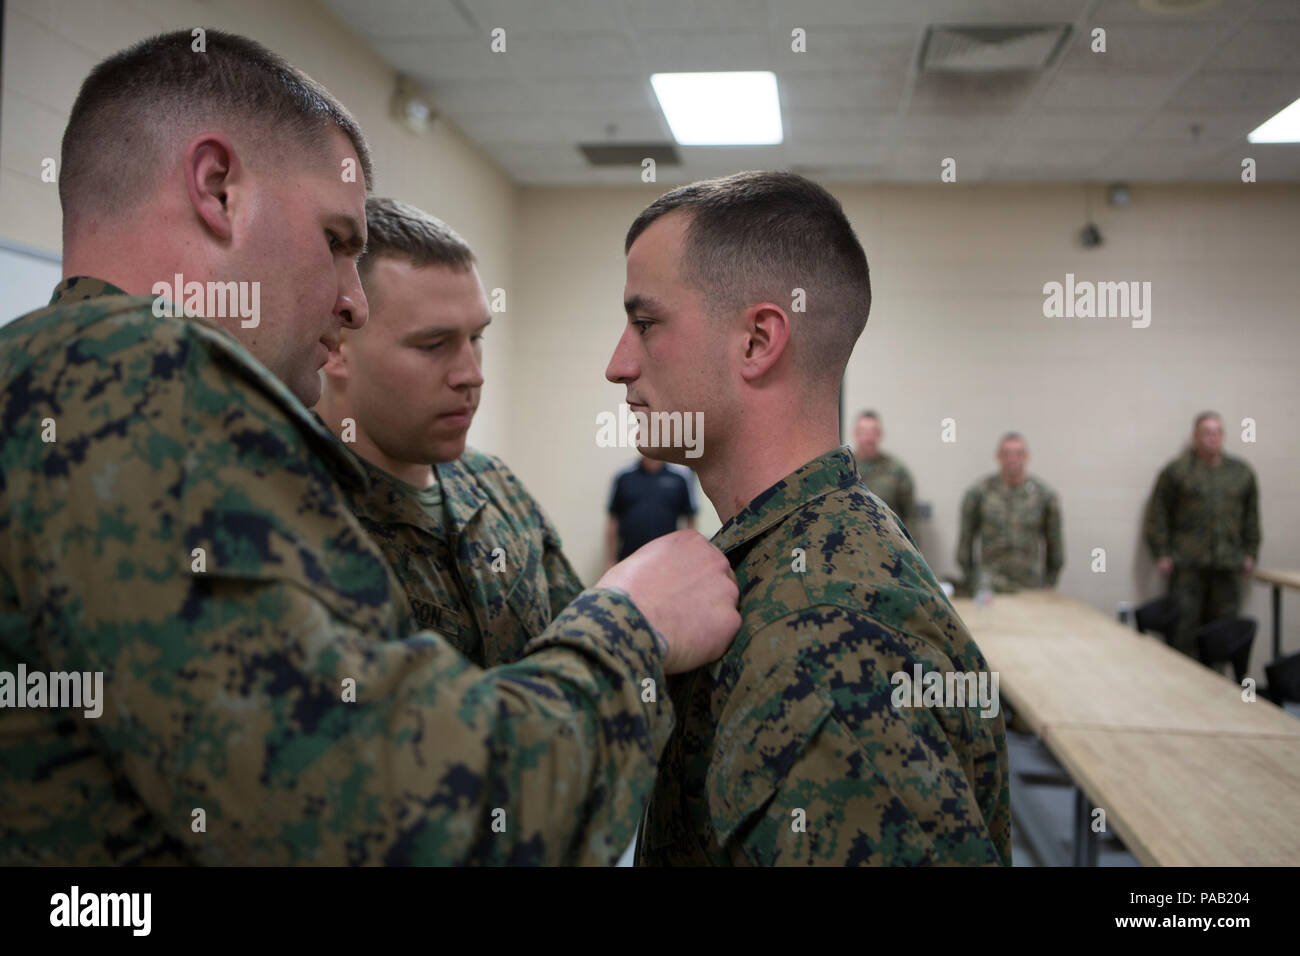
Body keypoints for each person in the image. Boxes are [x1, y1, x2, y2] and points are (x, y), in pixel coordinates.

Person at [0, 30, 739, 866]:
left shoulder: (40, 372)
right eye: (336, 240)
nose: (351, 300)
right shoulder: (145, 371)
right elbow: (402, 821)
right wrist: (632, 626)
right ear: (217, 189)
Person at [607, 171, 1010, 866]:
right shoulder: (798, 554)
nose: (617, 364)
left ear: (759, 342)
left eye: (645, 324)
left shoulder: (826, 640)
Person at [316, 197, 583, 668]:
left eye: (476, 338)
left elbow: (576, 651)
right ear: (337, 345)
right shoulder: (297, 515)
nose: (471, 375)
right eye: (434, 345)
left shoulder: (496, 487)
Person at [1144, 411, 1261, 659]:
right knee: (1183, 628)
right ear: (1196, 436)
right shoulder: (1177, 472)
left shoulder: (1240, 473)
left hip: (1228, 563)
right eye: (1206, 432)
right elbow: (1158, 513)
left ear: (1223, 436)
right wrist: (1161, 552)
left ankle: (1218, 685)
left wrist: (1251, 551)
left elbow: (1251, 516)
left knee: (1223, 631)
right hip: (1187, 564)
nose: (1212, 438)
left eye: (1217, 432)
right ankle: (1181, 684)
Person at [958, 433, 1064, 594]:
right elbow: (965, 543)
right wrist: (971, 578)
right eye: (1006, 453)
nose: (1012, 459)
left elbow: (1055, 543)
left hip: (1030, 585)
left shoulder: (1044, 495)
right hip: (990, 585)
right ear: (998, 457)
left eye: (1018, 453)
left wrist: (1050, 581)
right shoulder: (979, 493)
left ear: (1026, 457)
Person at [605, 458, 697, 571]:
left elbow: (691, 520)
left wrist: (689, 557)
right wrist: (610, 560)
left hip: (668, 560)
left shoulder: (681, 476)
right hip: (628, 559)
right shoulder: (623, 475)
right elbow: (613, 520)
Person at [852, 410, 915, 529]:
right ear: (856, 434)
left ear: (880, 435)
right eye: (863, 432)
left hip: (887, 544)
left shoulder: (896, 471)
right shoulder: (845, 468)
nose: (868, 438)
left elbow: (910, 516)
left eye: (873, 432)